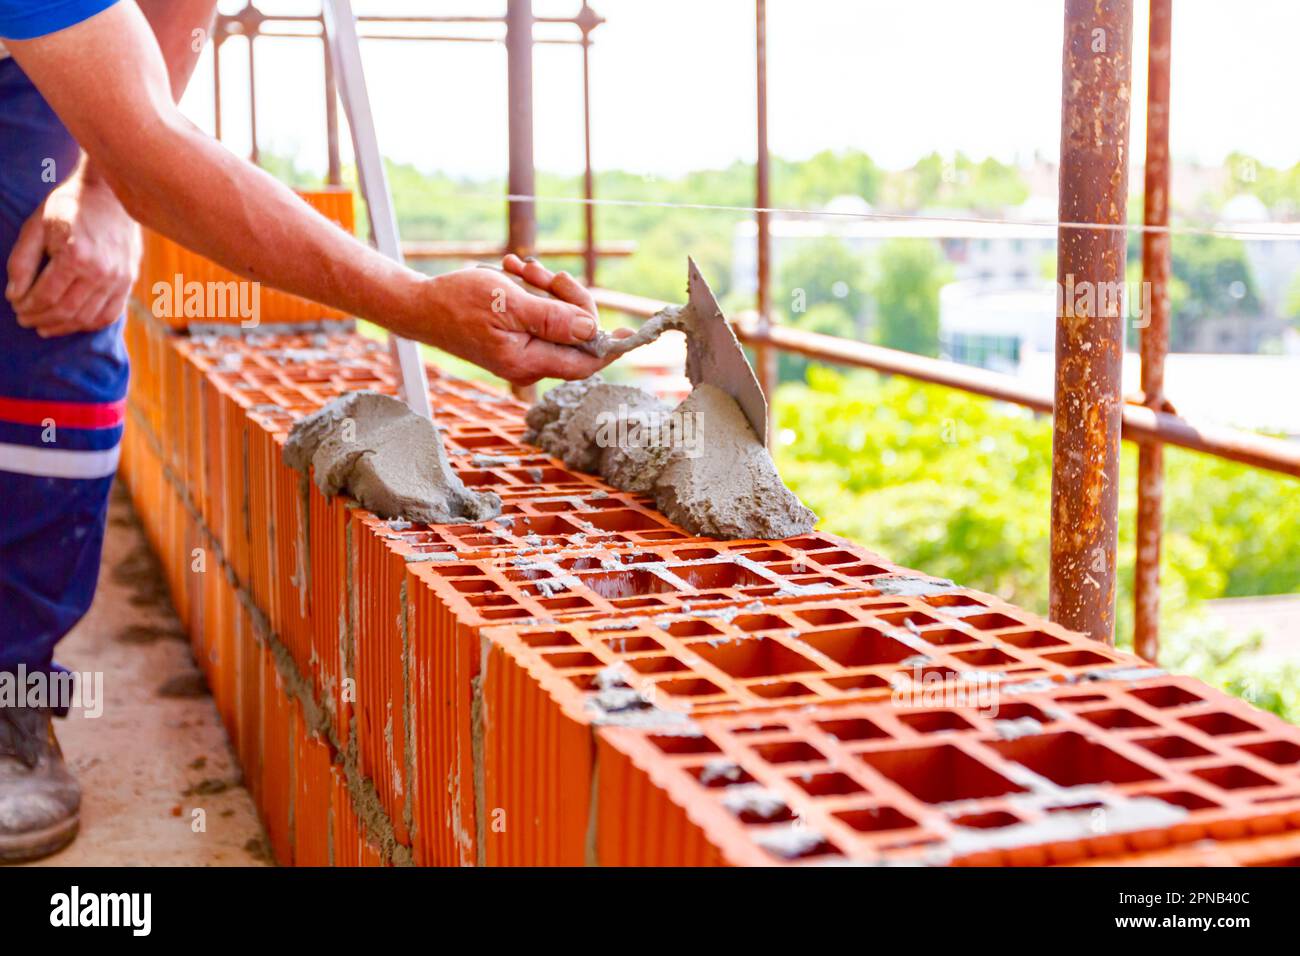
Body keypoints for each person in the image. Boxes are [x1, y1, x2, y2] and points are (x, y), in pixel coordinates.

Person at [0, 0, 615, 862]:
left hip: (35, 58)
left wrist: (100, 195)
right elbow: (148, 150)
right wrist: (417, 305)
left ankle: (7, 678)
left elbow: (162, 56)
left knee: (52, 299)